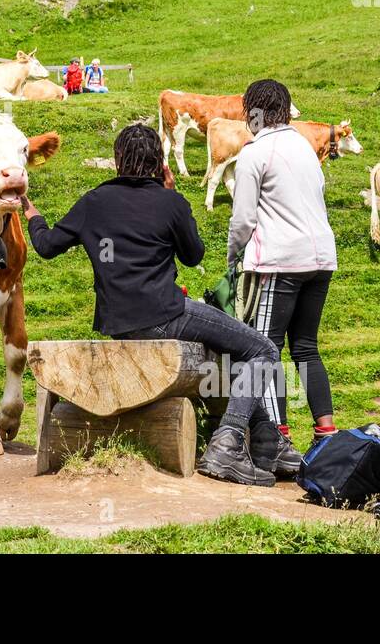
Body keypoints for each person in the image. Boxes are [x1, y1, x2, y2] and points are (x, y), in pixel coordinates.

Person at [22, 123, 297, 487]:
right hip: (167, 315)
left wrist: (30, 212)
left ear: (119, 160)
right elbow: (193, 254)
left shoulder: (94, 202)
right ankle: (228, 442)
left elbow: (47, 245)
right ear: (160, 162)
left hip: (120, 323)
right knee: (261, 349)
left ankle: (264, 442)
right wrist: (174, 197)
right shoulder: (168, 202)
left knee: (229, 349)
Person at [227, 79, 339, 451]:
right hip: (322, 258)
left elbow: (242, 219)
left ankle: (278, 439)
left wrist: (233, 258)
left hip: (281, 260)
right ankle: (326, 431)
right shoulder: (305, 147)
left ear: (253, 113)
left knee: (266, 347)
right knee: (306, 346)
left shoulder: (254, 153)